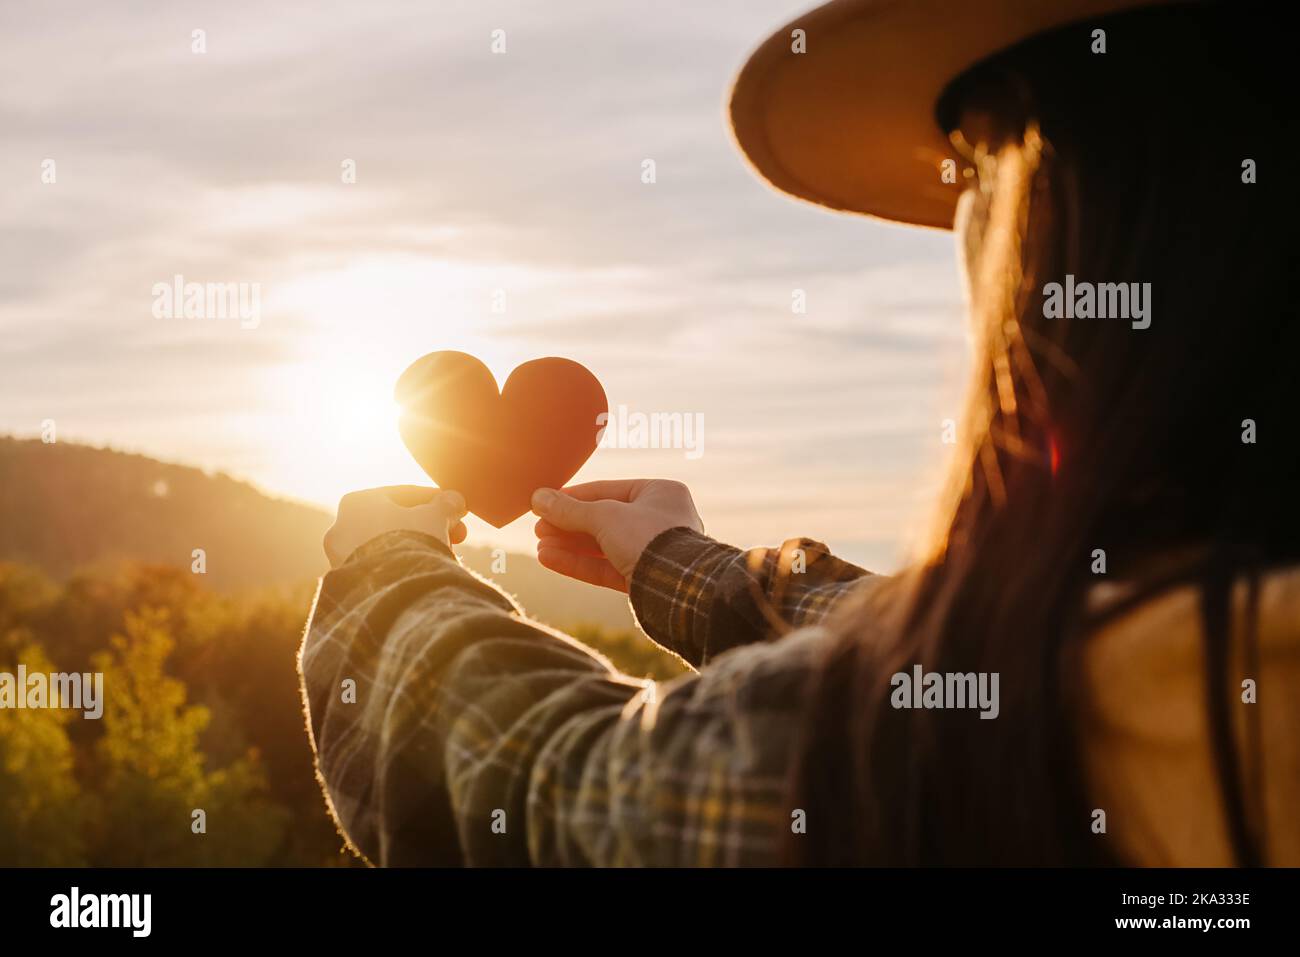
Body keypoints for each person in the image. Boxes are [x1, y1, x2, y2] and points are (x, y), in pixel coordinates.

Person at [300, 0, 1299, 866]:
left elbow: (567, 804)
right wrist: (692, 568)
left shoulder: (1080, 723)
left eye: (975, 179)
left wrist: (387, 577)